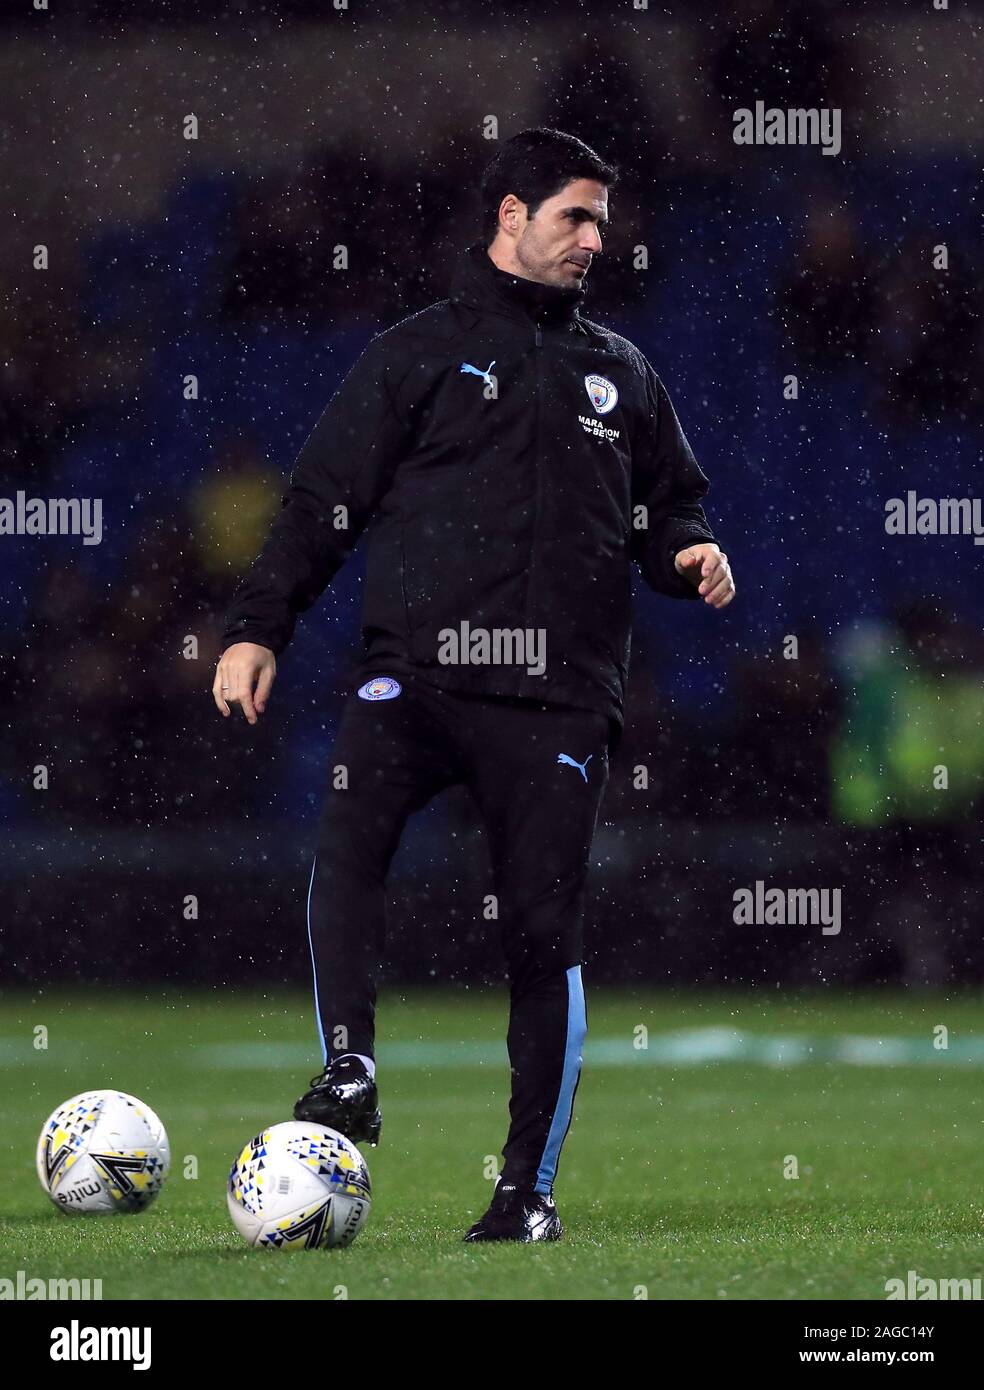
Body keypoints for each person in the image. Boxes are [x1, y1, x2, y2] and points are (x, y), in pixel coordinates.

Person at [213, 128, 734, 1242]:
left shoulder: (623, 374)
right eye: (574, 217)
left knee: (544, 933)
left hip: (556, 700)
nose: (596, 239)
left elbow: (669, 507)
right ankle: (348, 1069)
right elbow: (321, 502)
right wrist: (259, 630)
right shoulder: (416, 353)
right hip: (417, 675)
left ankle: (524, 1194)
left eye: (602, 220)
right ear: (510, 215)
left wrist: (689, 553)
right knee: (348, 843)